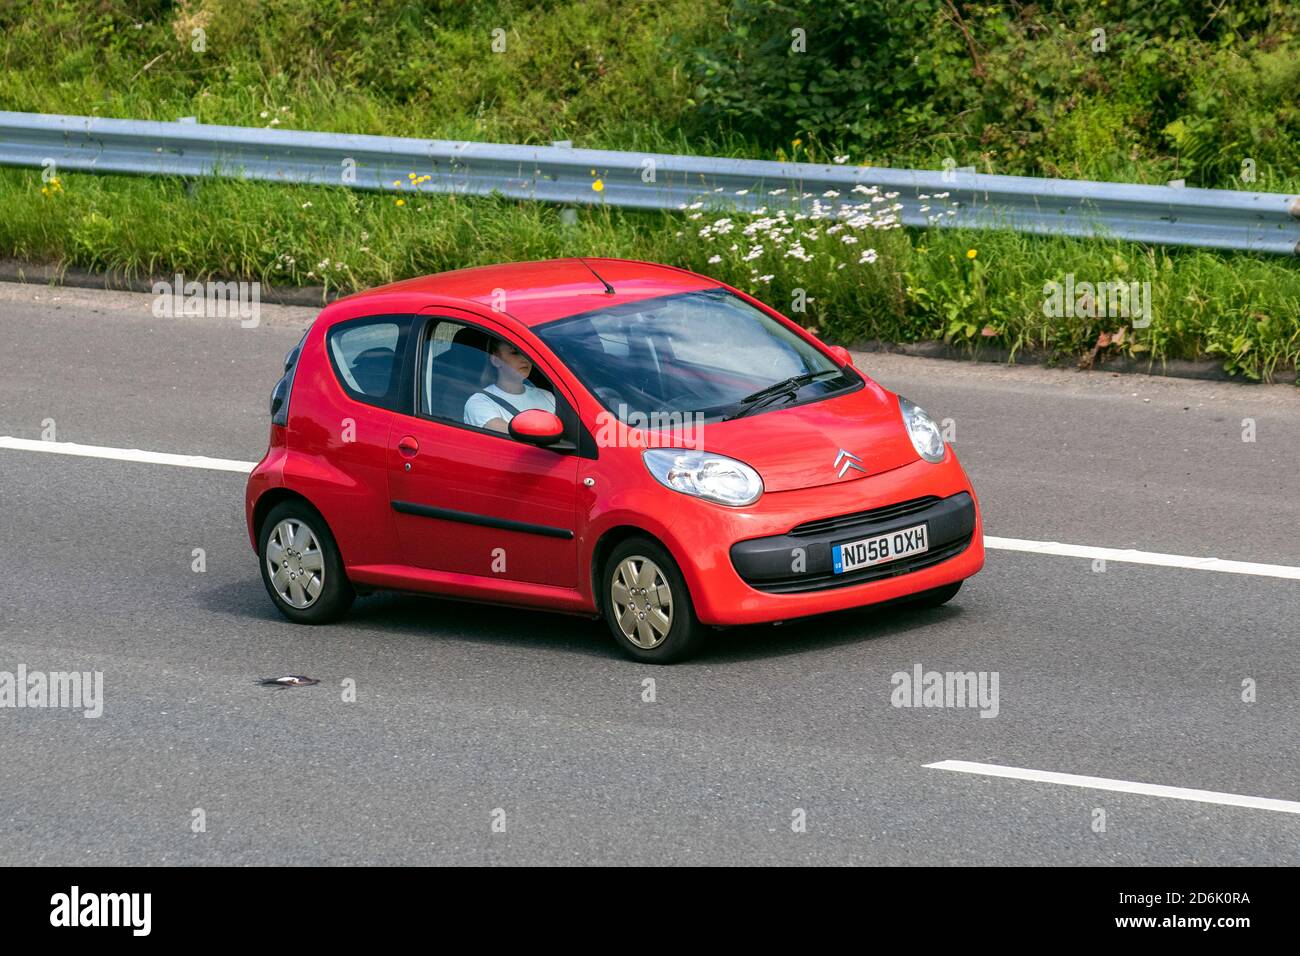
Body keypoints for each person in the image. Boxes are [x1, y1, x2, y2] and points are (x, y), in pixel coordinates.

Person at [463, 337, 556, 433]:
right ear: (495, 360)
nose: (525, 358)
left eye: (527, 352)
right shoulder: (479, 402)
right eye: (515, 352)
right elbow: (509, 437)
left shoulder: (546, 396)